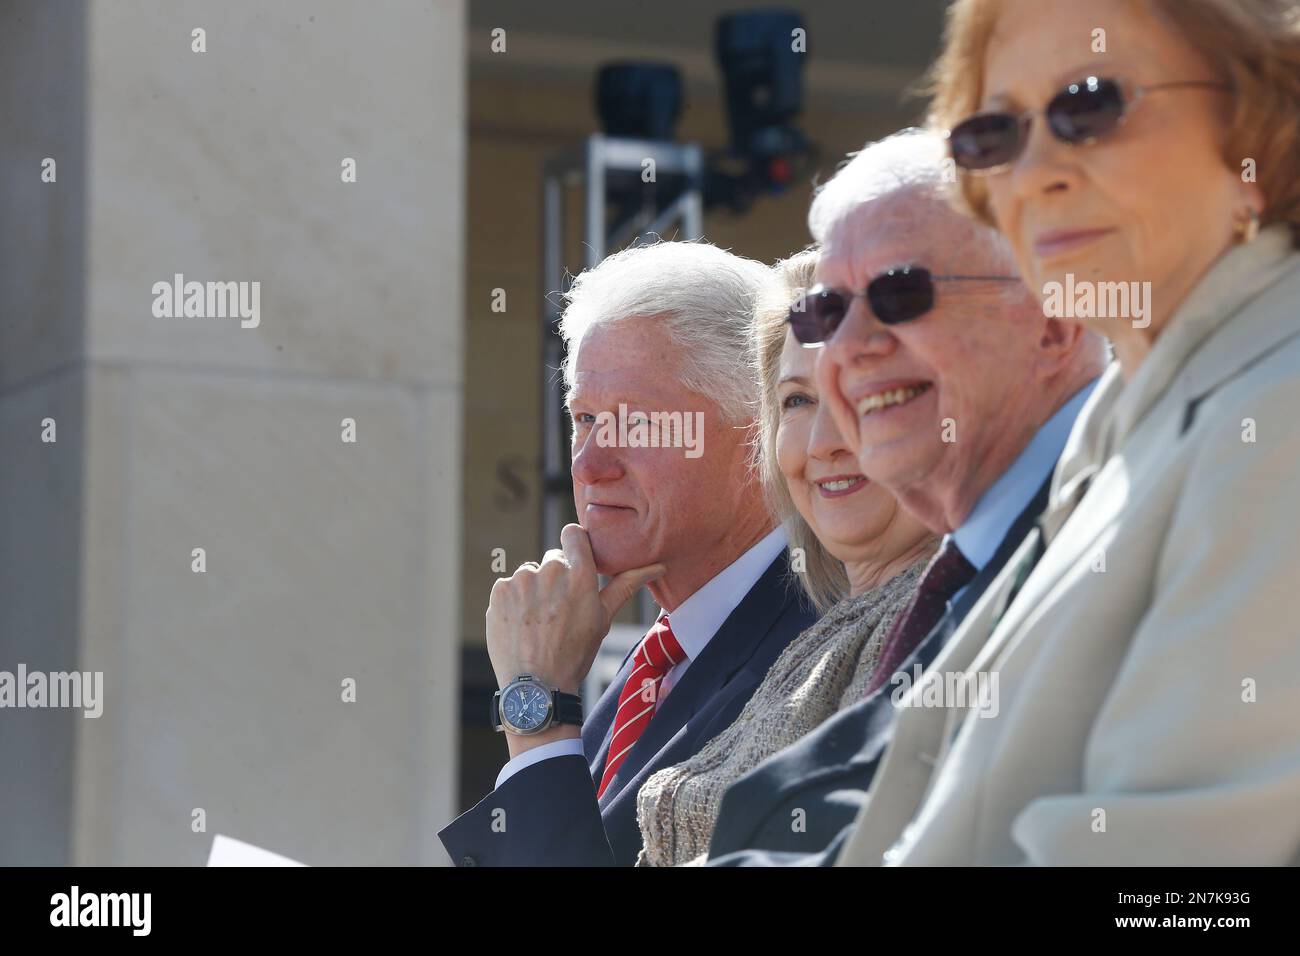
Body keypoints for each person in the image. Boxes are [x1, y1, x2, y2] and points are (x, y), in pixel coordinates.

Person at [835, 0, 1300, 866]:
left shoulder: (1276, 421)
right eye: (993, 134)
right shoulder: (1138, 406)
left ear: (1261, 121)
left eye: (1090, 106)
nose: (1035, 170)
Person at [702, 128, 1108, 865]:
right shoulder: (979, 563)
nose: (849, 346)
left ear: (1054, 325)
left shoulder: (1119, 522)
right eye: (828, 309)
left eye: (900, 295)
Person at [438, 241, 818, 866]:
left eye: (637, 424)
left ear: (759, 429)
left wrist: (540, 711)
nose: (587, 466)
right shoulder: (663, 653)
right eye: (585, 419)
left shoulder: (817, 653)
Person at [635, 249, 938, 866]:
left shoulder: (941, 624)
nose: (824, 443)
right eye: (798, 401)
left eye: (864, 393)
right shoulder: (823, 638)